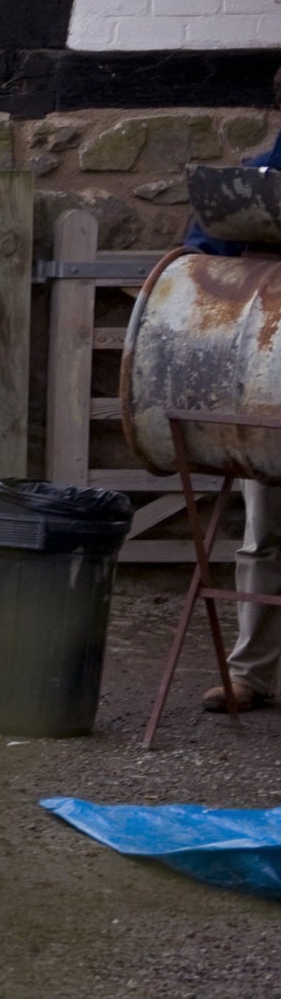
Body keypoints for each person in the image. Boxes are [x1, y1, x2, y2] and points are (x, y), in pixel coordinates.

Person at [182, 66, 281, 710]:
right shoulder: (250, 181)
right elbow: (200, 261)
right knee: (263, 533)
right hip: (266, 377)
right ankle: (252, 675)